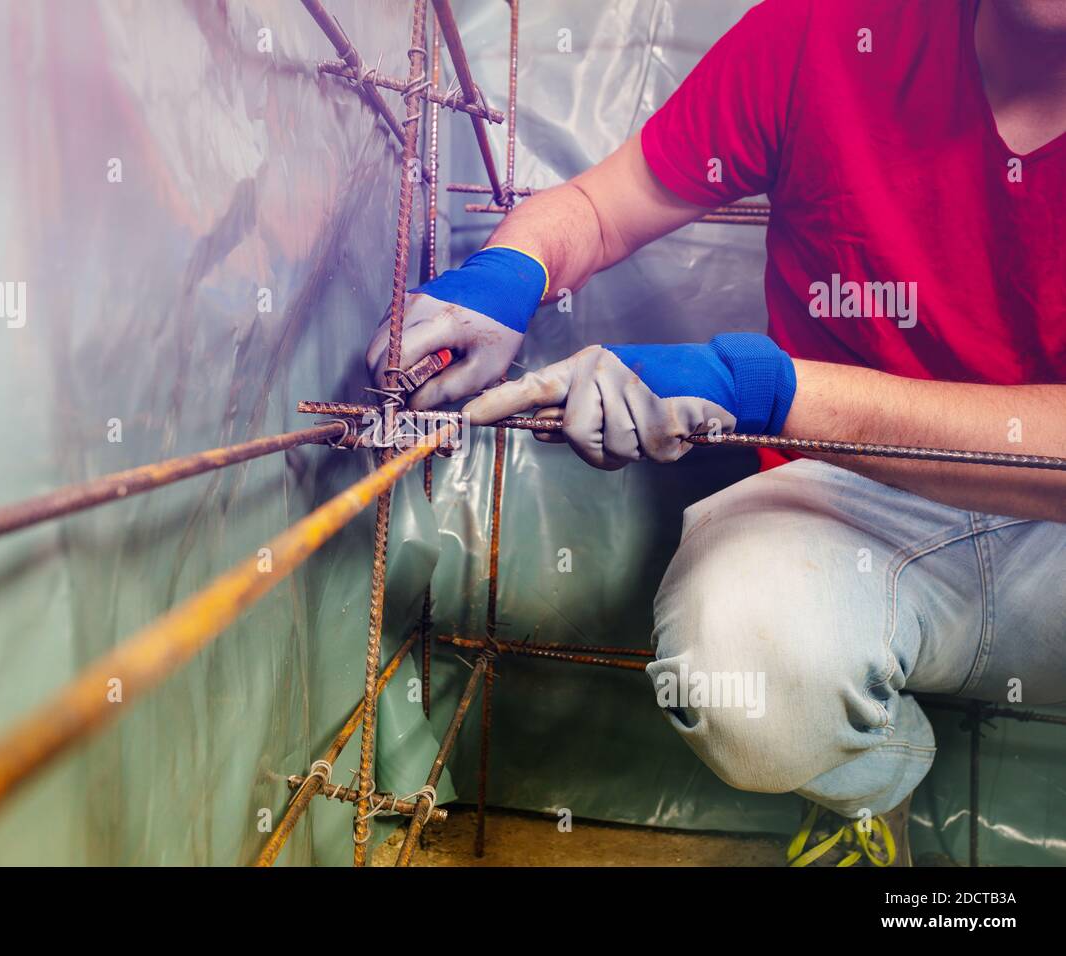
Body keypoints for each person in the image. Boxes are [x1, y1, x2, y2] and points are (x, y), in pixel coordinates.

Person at [366, 0, 1066, 866]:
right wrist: (513, 269)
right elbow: (604, 206)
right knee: (739, 656)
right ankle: (868, 795)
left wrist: (756, 388)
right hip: (852, 507)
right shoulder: (828, 31)